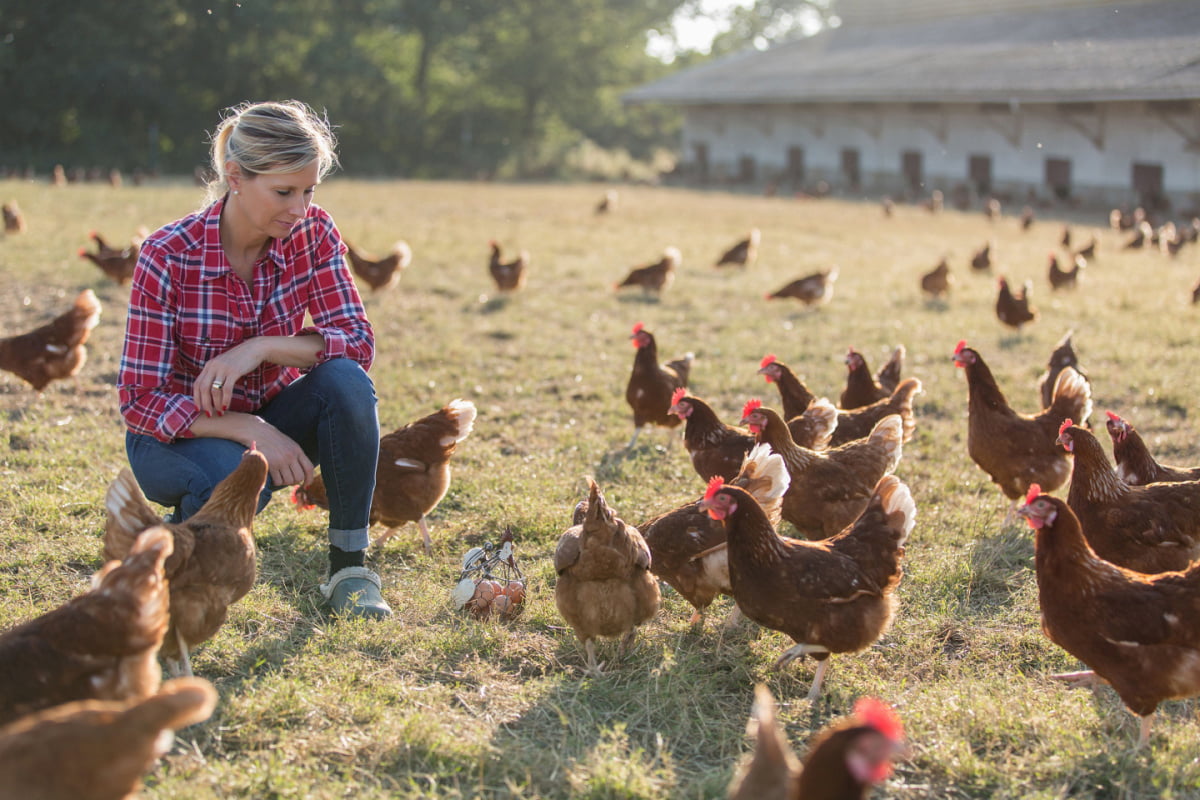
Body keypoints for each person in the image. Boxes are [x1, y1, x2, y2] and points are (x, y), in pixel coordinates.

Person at [117, 100, 390, 618]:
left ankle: (350, 570)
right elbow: (140, 401)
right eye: (284, 192)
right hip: (177, 435)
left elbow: (355, 340)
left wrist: (260, 348)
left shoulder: (314, 233)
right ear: (235, 177)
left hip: (273, 415)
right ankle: (177, 557)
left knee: (346, 383)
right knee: (228, 474)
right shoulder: (167, 255)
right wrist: (250, 430)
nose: (299, 208)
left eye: (309, 191)